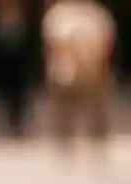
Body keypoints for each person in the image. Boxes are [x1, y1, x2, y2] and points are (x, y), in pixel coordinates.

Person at [43, 0, 116, 146]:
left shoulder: (93, 13)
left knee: (93, 109)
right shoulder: (62, 14)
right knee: (65, 110)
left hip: (85, 69)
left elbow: (106, 43)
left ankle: (94, 141)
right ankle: (67, 142)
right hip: (69, 69)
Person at [0, 0, 38, 137]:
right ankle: (9, 122)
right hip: (4, 69)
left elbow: (28, 46)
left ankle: (18, 122)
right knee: (5, 98)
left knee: (19, 97)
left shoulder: (24, 22)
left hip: (19, 69)